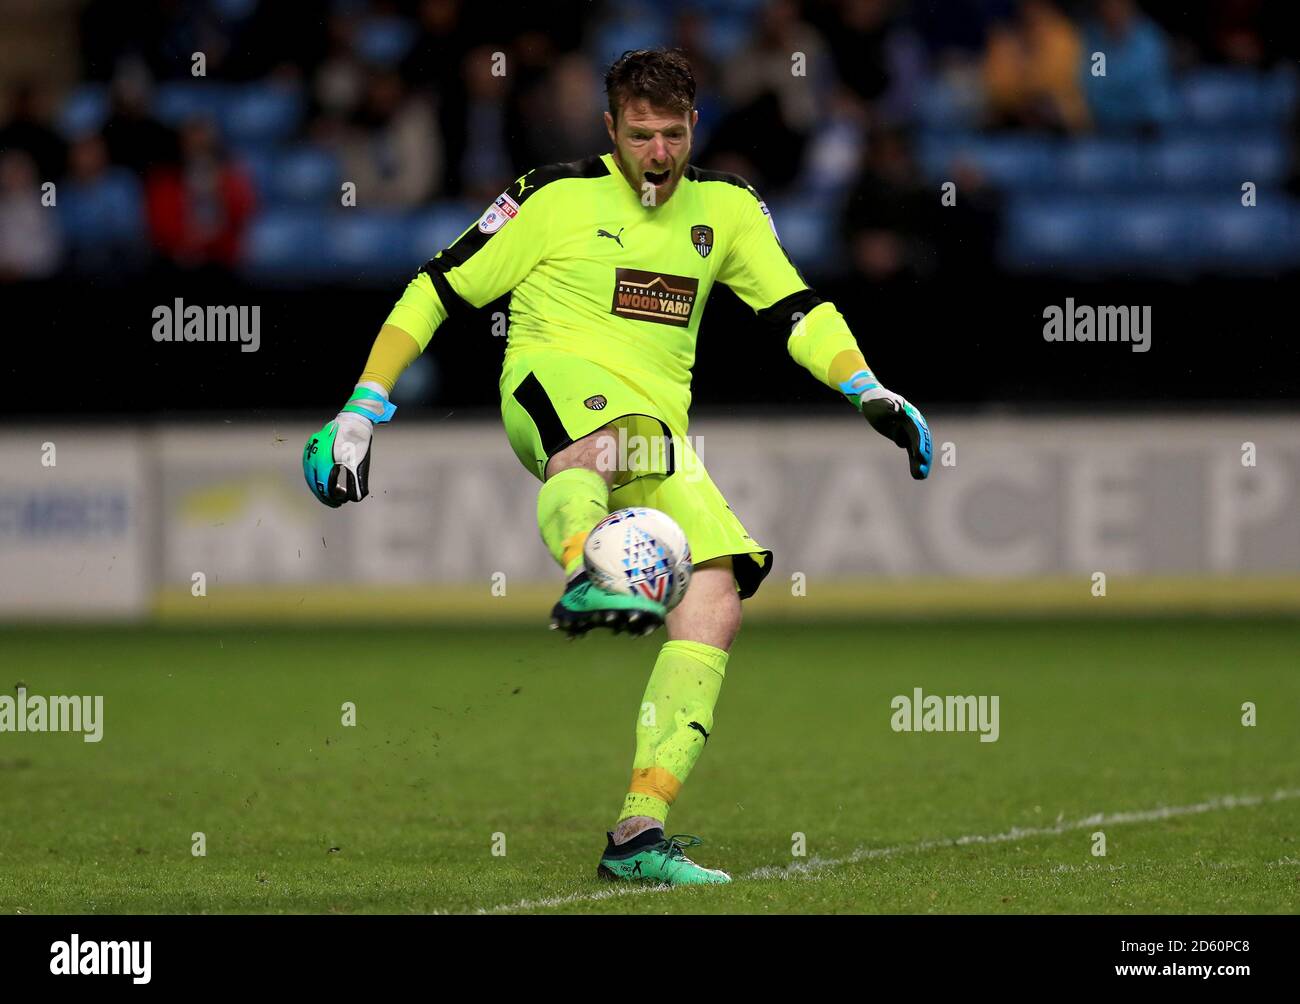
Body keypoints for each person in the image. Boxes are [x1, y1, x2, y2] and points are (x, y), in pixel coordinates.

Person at [302, 48, 931, 886]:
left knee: (713, 601)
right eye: (641, 135)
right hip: (550, 386)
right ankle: (583, 571)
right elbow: (437, 290)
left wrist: (865, 386)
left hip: (657, 434)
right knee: (604, 446)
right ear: (611, 129)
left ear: (693, 126)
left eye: (673, 134)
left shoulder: (729, 209)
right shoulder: (549, 197)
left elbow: (797, 309)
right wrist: (364, 405)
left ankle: (638, 833)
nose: (660, 154)